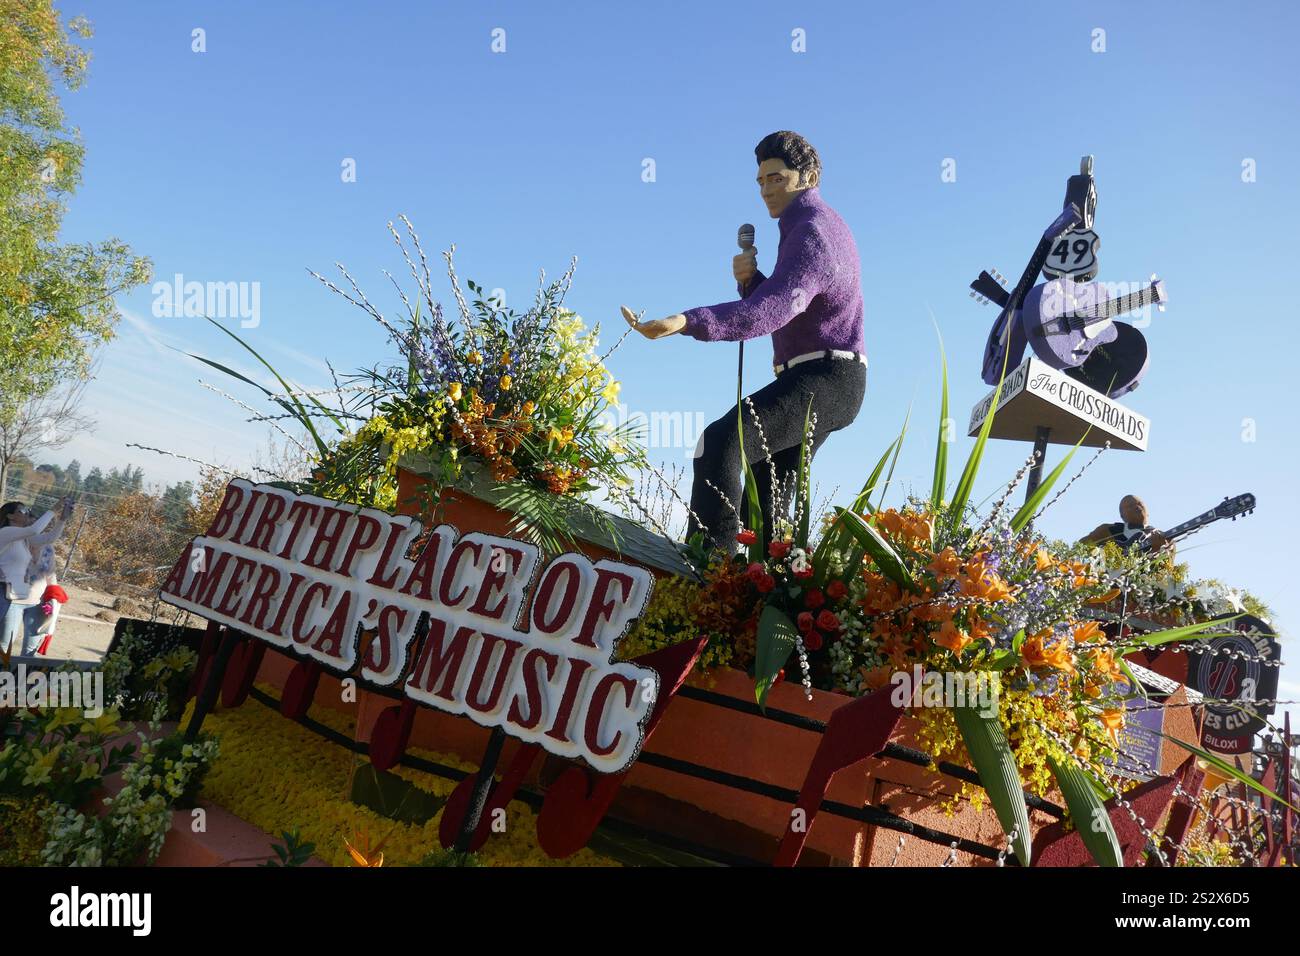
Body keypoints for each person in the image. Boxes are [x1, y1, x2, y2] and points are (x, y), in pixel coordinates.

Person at [621, 130, 866, 554]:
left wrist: (686, 321)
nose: (766, 190)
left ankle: (709, 569)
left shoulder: (813, 232)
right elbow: (793, 307)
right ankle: (762, 589)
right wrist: (753, 282)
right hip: (832, 378)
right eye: (761, 182)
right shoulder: (811, 226)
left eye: (776, 178)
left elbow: (766, 313)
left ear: (807, 177)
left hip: (825, 378)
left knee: (719, 444)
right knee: (767, 493)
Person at [0, 497, 74, 657]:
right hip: (4, 592)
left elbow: (49, 538)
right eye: (23, 510)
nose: (27, 513)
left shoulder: (22, 539)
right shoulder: (5, 532)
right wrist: (53, 509)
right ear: (10, 516)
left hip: (15, 593)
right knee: (4, 646)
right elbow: (34, 530)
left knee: (8, 648)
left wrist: (62, 520)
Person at [1080, 494, 1173, 554]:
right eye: (1130, 506)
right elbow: (1080, 548)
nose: (1137, 507)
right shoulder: (1107, 530)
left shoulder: (1164, 538)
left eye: (1140, 504)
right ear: (1122, 516)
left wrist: (1158, 551)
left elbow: (1167, 572)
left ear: (1148, 512)